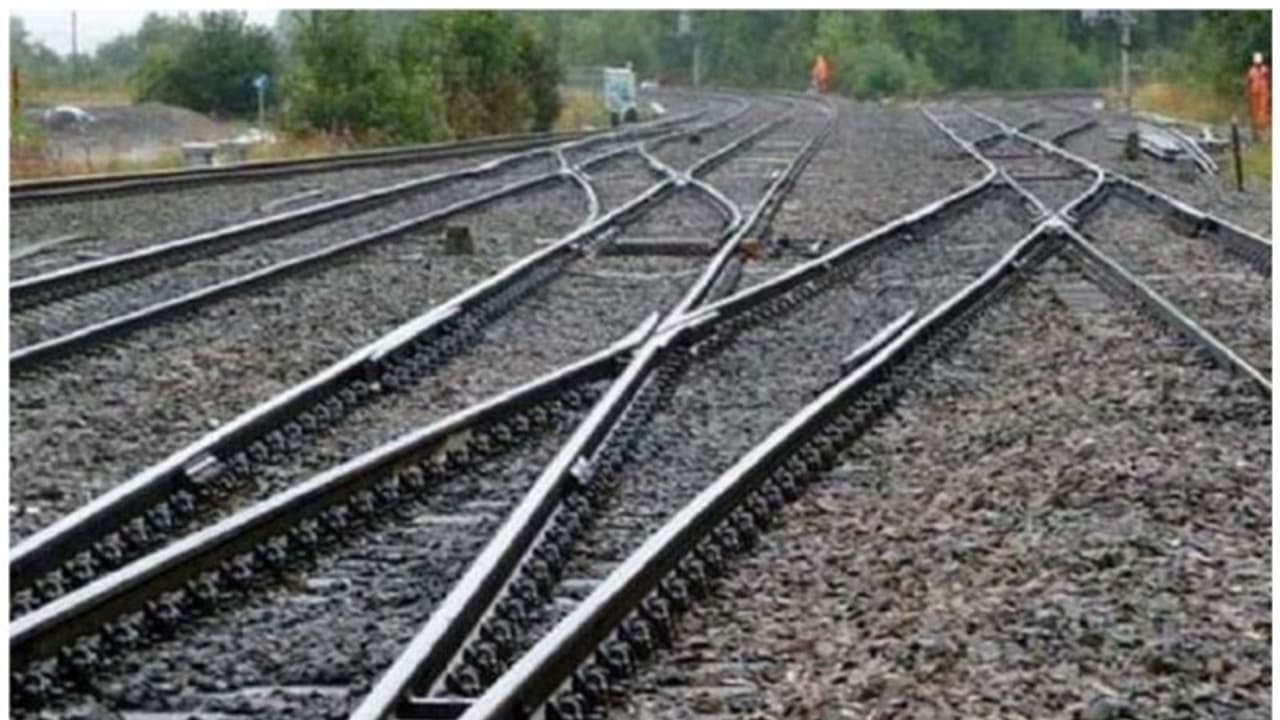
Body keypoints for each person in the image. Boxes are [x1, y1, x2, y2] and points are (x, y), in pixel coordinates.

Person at [1246, 51, 1270, 139]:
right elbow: (1248, 81)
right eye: (1256, 62)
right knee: (1254, 111)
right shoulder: (1251, 70)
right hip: (1254, 93)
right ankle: (1255, 129)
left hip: (1263, 92)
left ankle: (1263, 129)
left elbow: (1269, 80)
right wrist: (1247, 92)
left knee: (1263, 110)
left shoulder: (1265, 69)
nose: (1258, 64)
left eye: (1259, 62)